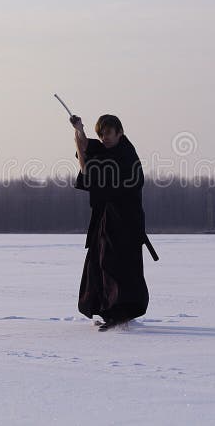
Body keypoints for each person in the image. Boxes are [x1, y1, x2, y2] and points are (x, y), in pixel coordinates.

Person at [70, 113, 149, 331]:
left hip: (126, 221)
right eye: (102, 134)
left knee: (118, 265)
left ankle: (121, 312)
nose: (104, 138)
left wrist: (106, 185)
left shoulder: (126, 153)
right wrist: (79, 130)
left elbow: (132, 181)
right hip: (106, 218)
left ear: (119, 132)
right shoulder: (106, 150)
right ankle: (108, 311)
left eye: (108, 134)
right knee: (99, 261)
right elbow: (88, 150)